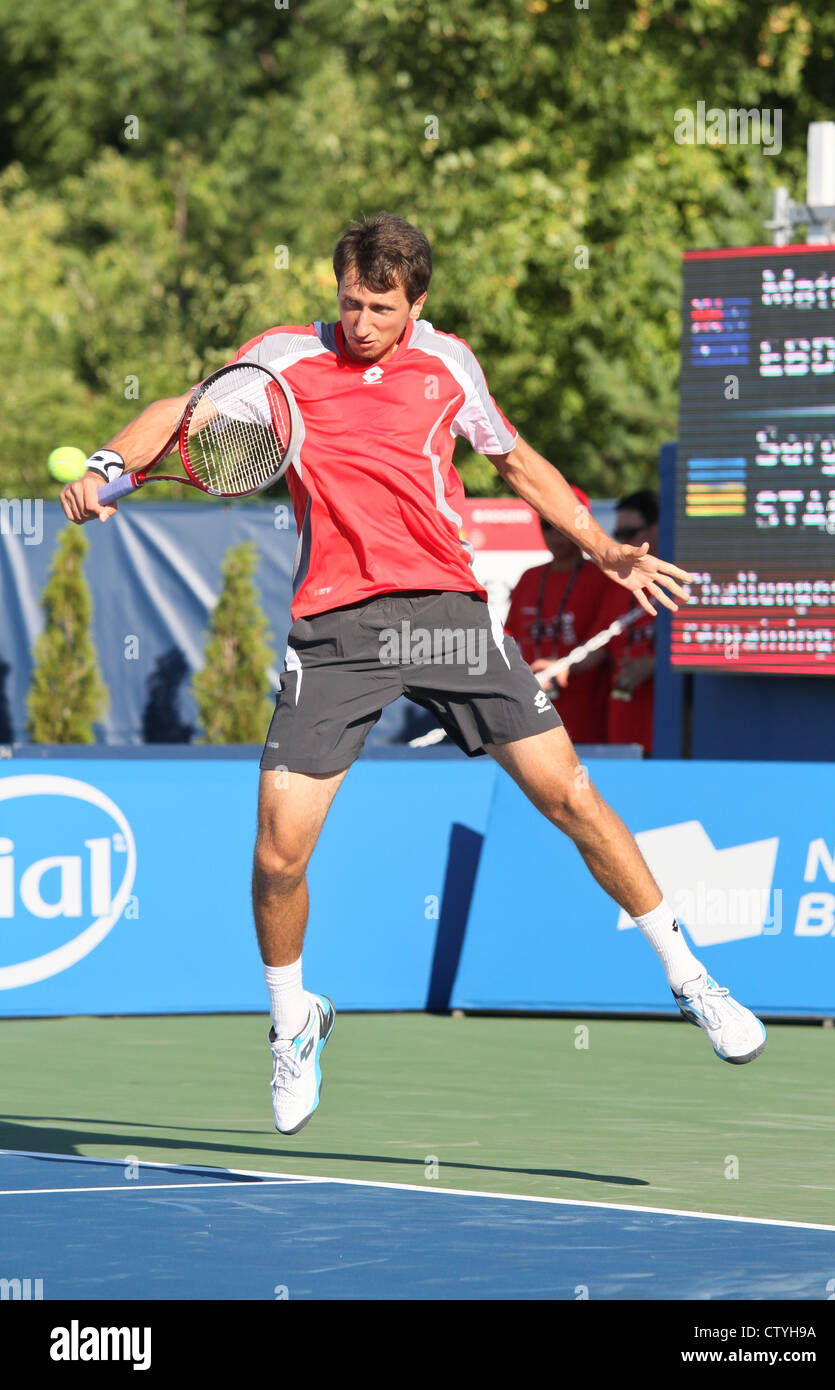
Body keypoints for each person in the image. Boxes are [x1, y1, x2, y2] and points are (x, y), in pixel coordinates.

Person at [60, 214, 766, 1136]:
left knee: (572, 795)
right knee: (278, 853)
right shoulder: (279, 359)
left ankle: (690, 975)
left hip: (444, 616)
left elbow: (519, 463)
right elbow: (177, 415)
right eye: (349, 300)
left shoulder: (448, 365)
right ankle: (292, 1021)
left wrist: (601, 548)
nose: (360, 320)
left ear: (416, 304)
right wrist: (114, 460)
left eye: (381, 307)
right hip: (336, 629)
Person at [505, 491, 625, 744]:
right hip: (532, 716)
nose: (554, 535)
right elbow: (509, 642)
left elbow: (606, 645)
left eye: (561, 526)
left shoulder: (603, 578)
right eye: (547, 525)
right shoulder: (529, 578)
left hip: (587, 721)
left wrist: (561, 667)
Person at [607, 490, 659, 753]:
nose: (624, 544)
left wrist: (656, 664)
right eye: (619, 536)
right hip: (623, 733)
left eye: (631, 533)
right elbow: (593, 649)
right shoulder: (615, 583)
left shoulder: (688, 580)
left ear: (657, 528)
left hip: (668, 729)